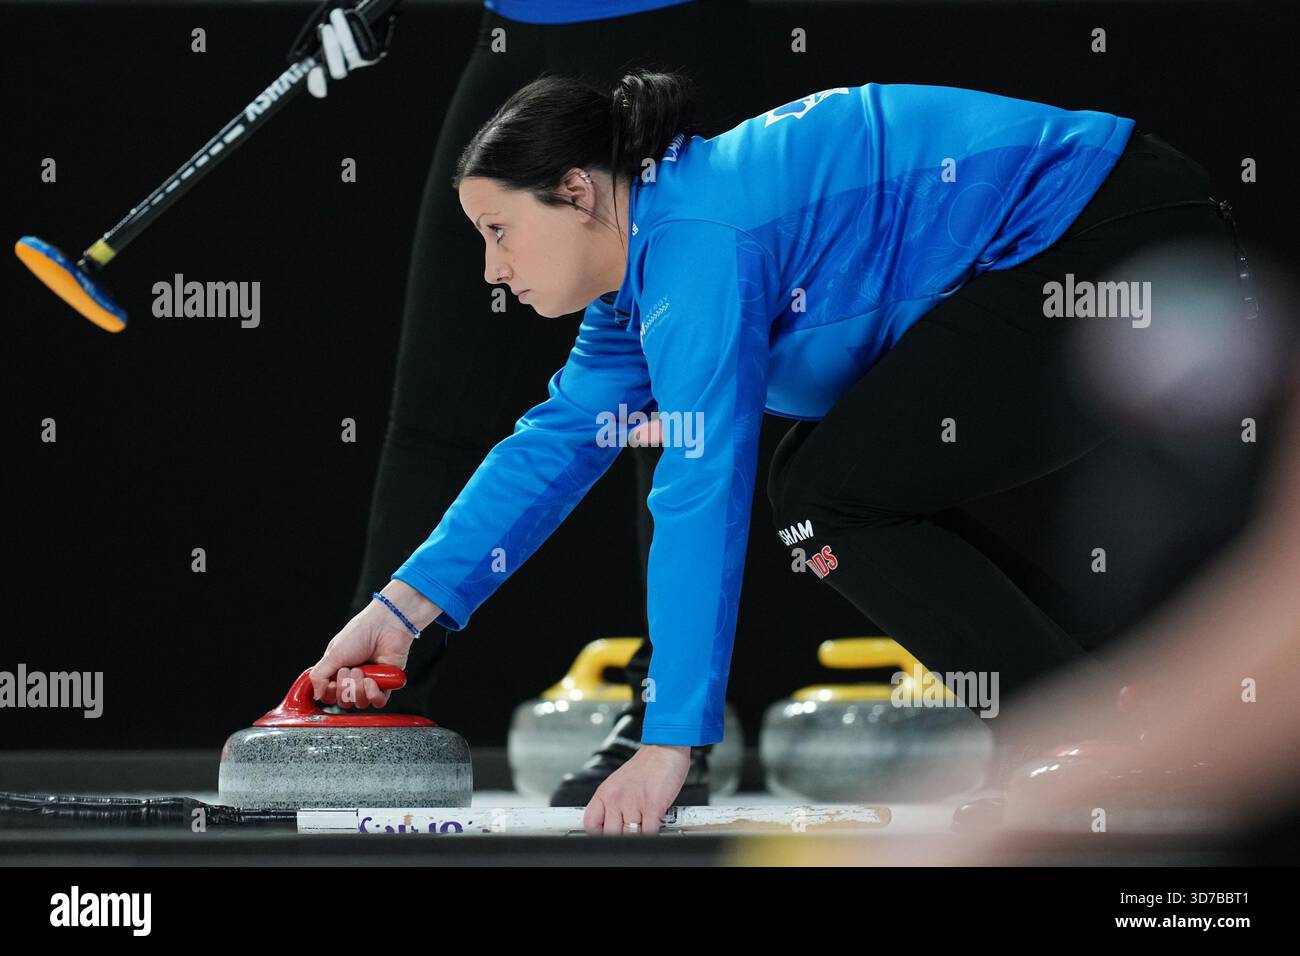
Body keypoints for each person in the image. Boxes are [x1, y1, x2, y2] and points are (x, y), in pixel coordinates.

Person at [311, 71, 1260, 834]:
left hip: (1112, 235)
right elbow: (551, 447)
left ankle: (1083, 734)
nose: (491, 269)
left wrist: (670, 743)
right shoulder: (637, 285)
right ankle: (1123, 708)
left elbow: (698, 488)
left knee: (829, 497)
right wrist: (404, 610)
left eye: (499, 231)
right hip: (1106, 224)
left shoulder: (697, 240)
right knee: (841, 486)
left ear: (577, 192)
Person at [295, 0, 769, 807]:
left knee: (665, 394)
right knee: (441, 392)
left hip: (665, 17)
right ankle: (379, 683)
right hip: (517, 19)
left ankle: (670, 725)